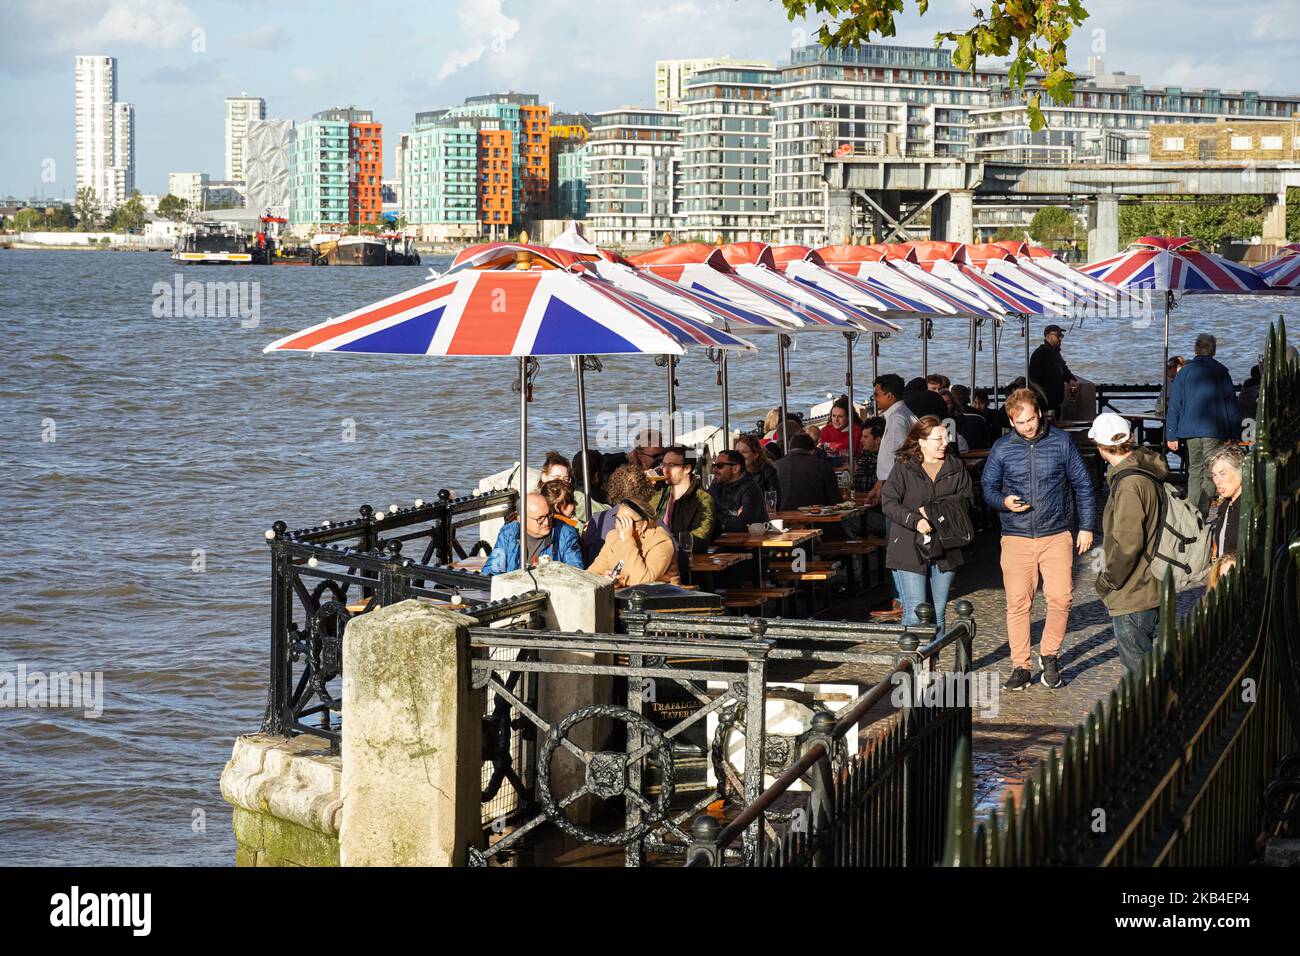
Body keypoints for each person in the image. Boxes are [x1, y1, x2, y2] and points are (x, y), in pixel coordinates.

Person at [982, 387, 1097, 690]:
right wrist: (1004, 501)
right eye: (1021, 423)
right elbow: (987, 488)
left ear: (1040, 413)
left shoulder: (1061, 441)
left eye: (1032, 419)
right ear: (1011, 422)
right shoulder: (1002, 448)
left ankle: (1050, 654)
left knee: (1061, 597)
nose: (1029, 426)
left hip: (1056, 533)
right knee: (1018, 603)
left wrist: (1086, 527)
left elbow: (1083, 485)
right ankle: (1021, 665)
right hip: (1016, 535)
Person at [1089, 413, 1168, 673]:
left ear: (1101, 449)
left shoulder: (1129, 484)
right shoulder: (1145, 472)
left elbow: (1127, 544)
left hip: (1134, 591)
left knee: (1139, 676)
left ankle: (1152, 714)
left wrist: (1107, 581)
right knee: (1153, 668)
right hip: (1153, 584)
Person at [881, 416, 974, 635]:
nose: (945, 442)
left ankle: (932, 665)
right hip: (908, 545)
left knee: (938, 612)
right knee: (915, 611)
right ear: (921, 441)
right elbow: (888, 502)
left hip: (946, 547)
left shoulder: (955, 467)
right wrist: (916, 520)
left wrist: (933, 512)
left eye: (946, 437)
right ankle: (915, 666)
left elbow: (967, 501)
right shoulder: (904, 467)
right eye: (938, 438)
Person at [1165, 333, 1242, 516]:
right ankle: (1202, 511)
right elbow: (1231, 405)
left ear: (1195, 350)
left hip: (1189, 430)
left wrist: (1171, 433)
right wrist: (1235, 434)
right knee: (1210, 471)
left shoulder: (1184, 372)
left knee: (1194, 470)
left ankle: (1191, 513)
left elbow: (1175, 404)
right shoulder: (1221, 371)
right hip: (1213, 429)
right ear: (1213, 350)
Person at [867, 374, 918, 620]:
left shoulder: (897, 419)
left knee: (896, 545)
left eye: (877, 394)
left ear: (889, 395)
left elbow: (900, 459)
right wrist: (879, 482)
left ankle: (900, 600)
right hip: (893, 486)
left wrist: (886, 485)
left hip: (898, 492)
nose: (875, 399)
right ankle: (901, 599)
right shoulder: (903, 415)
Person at [483, 492, 584, 575]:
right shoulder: (507, 533)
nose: (547, 522)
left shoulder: (567, 535)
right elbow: (493, 568)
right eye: (540, 519)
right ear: (521, 519)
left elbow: (575, 573)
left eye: (549, 515)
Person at [587, 497, 680, 586]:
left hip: (660, 597)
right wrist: (605, 579)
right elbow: (590, 574)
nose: (619, 525)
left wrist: (628, 540)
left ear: (644, 525)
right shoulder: (613, 537)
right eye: (617, 519)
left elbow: (643, 582)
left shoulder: (661, 541)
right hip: (622, 598)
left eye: (626, 522)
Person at [581, 464, 655, 564]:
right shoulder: (652, 525)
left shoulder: (597, 520)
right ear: (645, 489)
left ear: (614, 488)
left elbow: (586, 559)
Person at [649, 446, 717, 551]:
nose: (664, 470)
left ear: (687, 469)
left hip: (686, 560)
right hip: (658, 557)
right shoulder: (659, 495)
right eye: (663, 465)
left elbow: (700, 538)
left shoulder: (703, 499)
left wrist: (660, 540)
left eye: (671, 465)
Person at [538, 450, 607, 530]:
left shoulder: (576, 498)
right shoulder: (533, 498)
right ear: (544, 477)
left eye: (566, 479)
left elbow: (605, 513)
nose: (562, 482)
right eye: (557, 478)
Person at [773, 432, 842, 510]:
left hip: (782, 516)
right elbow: (835, 498)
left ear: (789, 449)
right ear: (813, 450)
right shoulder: (822, 466)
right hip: (816, 517)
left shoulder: (775, 466)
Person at [708, 448, 768, 532]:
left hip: (749, 542)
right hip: (721, 540)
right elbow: (703, 514)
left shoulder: (750, 488)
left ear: (735, 468)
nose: (714, 470)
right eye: (714, 465)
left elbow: (744, 524)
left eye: (720, 465)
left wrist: (716, 517)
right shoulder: (716, 485)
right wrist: (733, 517)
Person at [1028, 324, 1078, 419]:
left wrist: (1071, 379)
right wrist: (1040, 400)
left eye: (1061, 336)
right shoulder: (1040, 353)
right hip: (1045, 403)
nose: (1060, 339)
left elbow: (1064, 369)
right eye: (1058, 335)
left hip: (1056, 402)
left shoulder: (1055, 352)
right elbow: (1033, 380)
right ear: (1048, 336)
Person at [1207, 443, 1245, 563]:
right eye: (1214, 475)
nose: (1217, 481)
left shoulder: (1246, 507)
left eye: (1223, 474)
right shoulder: (1226, 505)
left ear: (1240, 474)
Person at [735, 434, 781, 503]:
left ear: (755, 455)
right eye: (737, 452)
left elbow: (774, 501)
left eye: (744, 452)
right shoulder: (731, 471)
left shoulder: (767, 472)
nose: (739, 455)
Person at [853, 417, 886, 492]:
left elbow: (871, 484)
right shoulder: (866, 453)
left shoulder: (886, 458)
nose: (861, 440)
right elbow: (856, 481)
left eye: (865, 437)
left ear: (877, 440)